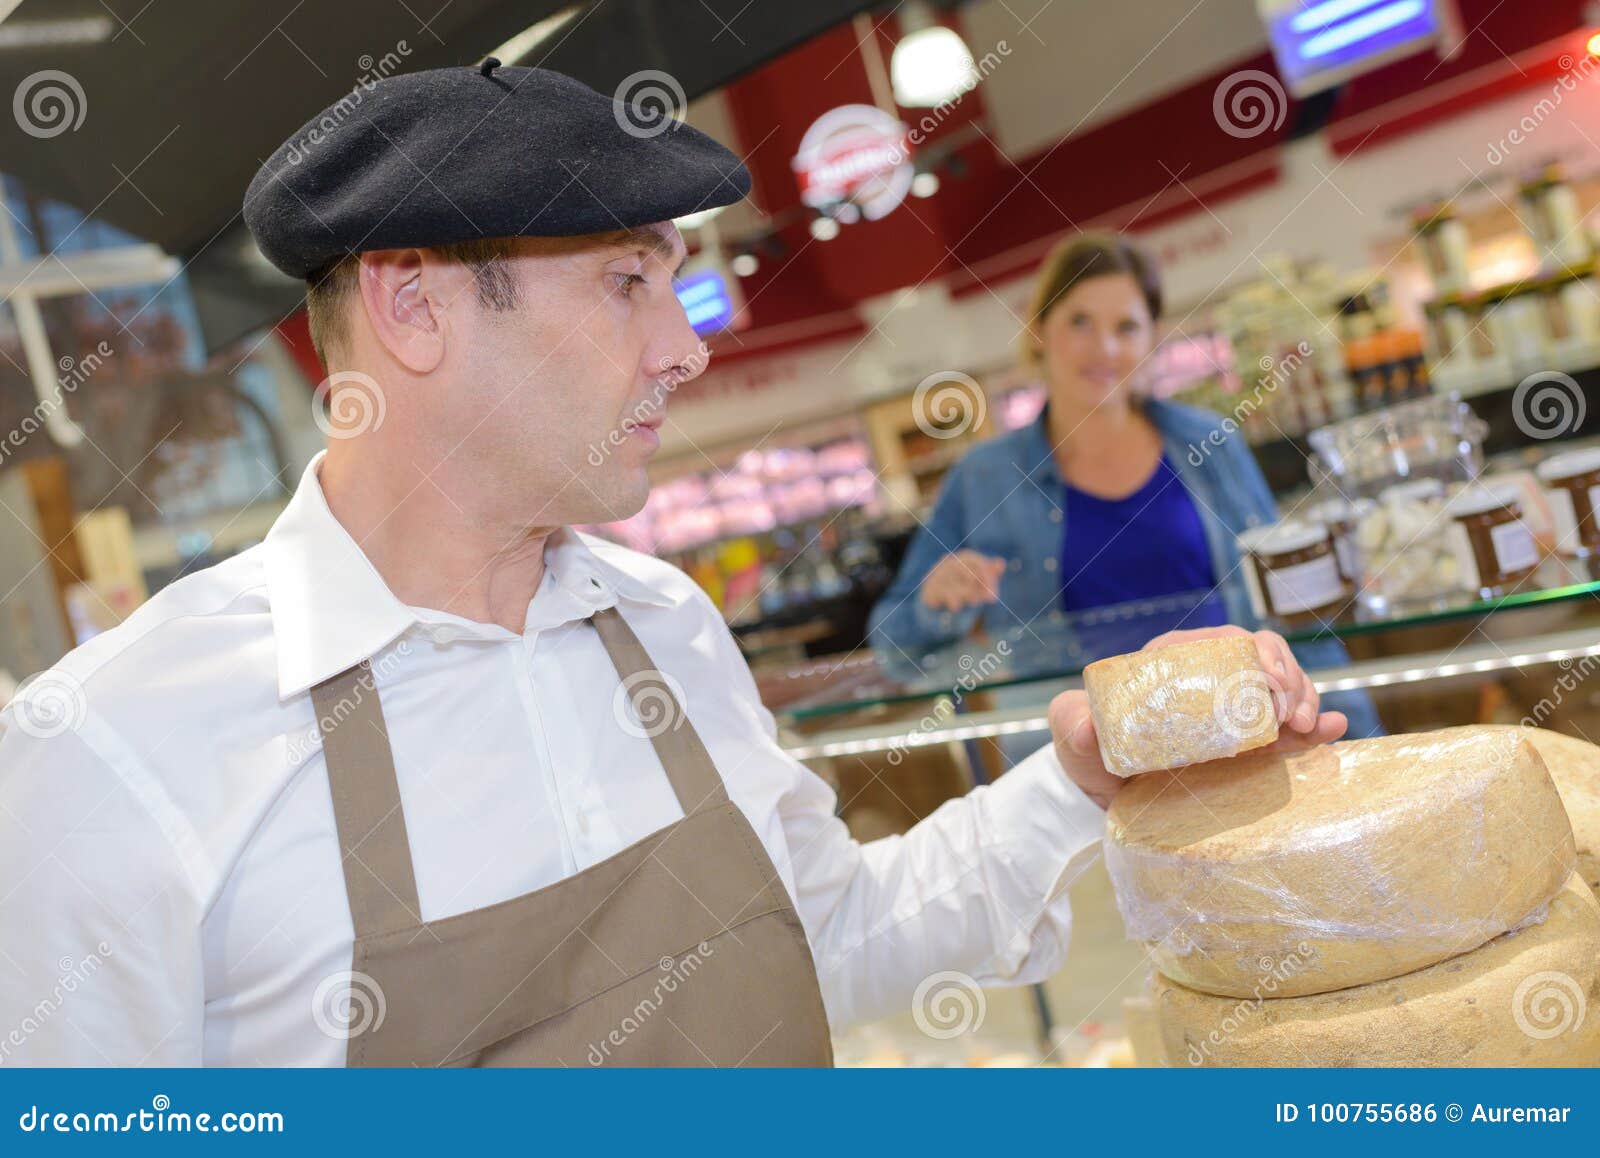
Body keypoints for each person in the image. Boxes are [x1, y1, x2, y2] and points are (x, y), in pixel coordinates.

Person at [0, 67, 1344, 1068]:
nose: (686, 346)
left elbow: (837, 935)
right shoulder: (117, 751)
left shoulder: (664, 628)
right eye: (629, 283)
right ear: (414, 305)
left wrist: (1077, 773)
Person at [868, 232, 1383, 741]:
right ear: (1039, 332)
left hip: (1234, 731)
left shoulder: (1210, 442)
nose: (1105, 348)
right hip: (1080, 763)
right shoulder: (984, 477)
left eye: (1127, 326)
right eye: (1080, 322)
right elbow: (895, 650)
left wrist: (1353, 738)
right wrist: (936, 602)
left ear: (1150, 341)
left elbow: (1289, 603)